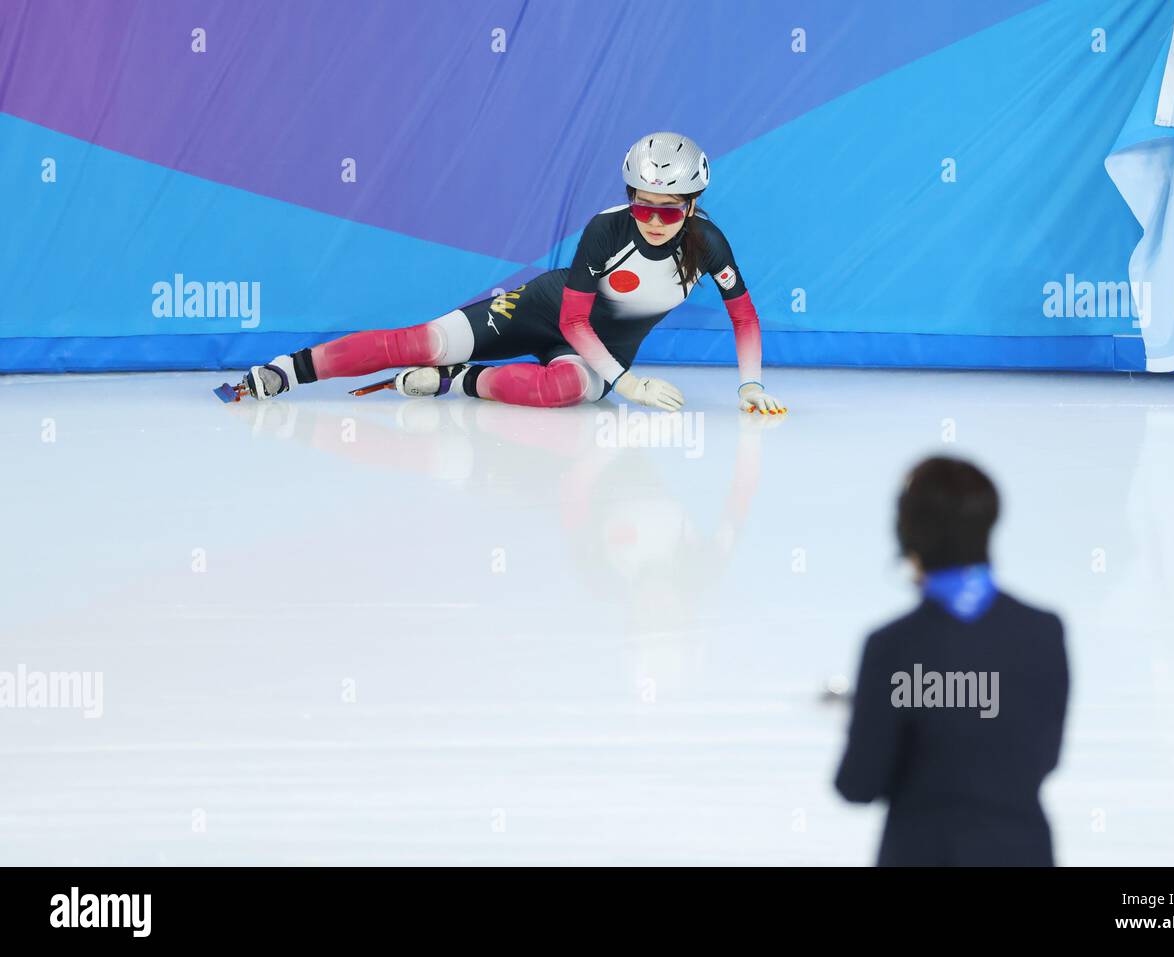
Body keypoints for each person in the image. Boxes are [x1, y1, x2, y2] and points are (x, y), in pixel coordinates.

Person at [227, 132, 785, 414]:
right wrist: (628, 382)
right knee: (419, 341)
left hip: (596, 349)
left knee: (565, 390)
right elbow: (572, 319)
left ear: (693, 205)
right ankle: (283, 372)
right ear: (629, 199)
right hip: (551, 310)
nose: (656, 221)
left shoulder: (708, 243)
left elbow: (745, 319)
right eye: (644, 206)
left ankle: (459, 380)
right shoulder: (607, 230)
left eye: (671, 209)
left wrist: (752, 384)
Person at [834, 456, 1069, 866]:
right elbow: (1043, 759)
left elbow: (858, 785)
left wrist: (865, 716)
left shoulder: (892, 649)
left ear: (907, 535)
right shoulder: (1044, 633)